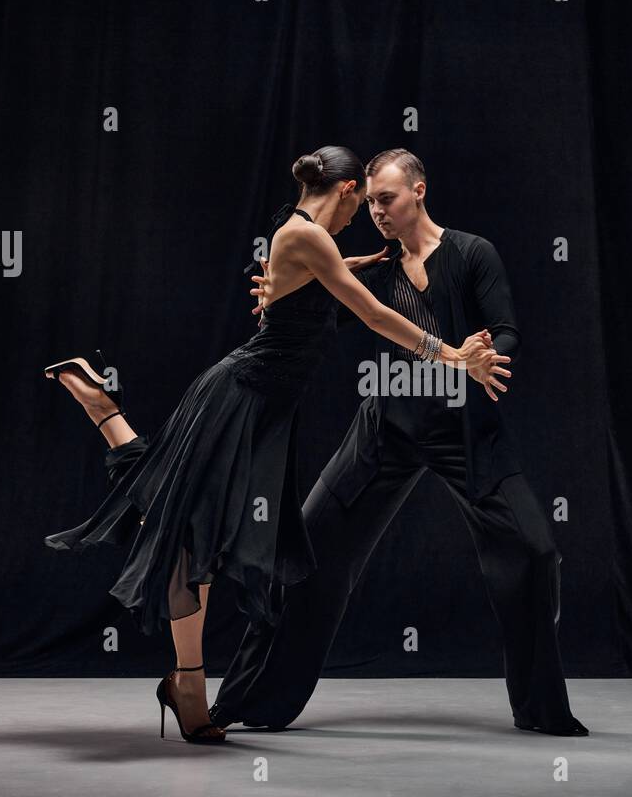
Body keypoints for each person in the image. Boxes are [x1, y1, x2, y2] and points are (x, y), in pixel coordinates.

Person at [43, 146, 502, 744]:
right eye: (358, 205)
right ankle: (188, 685)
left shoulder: (307, 236)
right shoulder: (305, 235)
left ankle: (105, 410)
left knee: (183, 521)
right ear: (343, 192)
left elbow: (324, 283)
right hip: (241, 398)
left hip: (260, 408)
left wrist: (356, 261)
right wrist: (452, 354)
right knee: (186, 532)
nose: (358, 217)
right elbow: (371, 316)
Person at [211, 148, 588, 736]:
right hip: (387, 426)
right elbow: (318, 310)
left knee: (534, 554)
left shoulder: (471, 253)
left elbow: (507, 326)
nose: (377, 212)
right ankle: (249, 702)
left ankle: (541, 709)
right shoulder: (378, 267)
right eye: (371, 202)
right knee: (307, 556)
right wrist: (277, 292)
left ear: (418, 191)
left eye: (386, 199)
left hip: (464, 433)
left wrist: (489, 351)